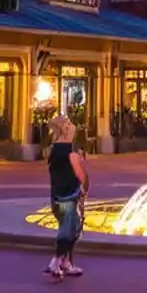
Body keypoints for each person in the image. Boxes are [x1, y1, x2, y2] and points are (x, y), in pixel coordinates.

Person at [44, 116, 89, 280]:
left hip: (58, 196)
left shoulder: (55, 150)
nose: (73, 125)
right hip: (67, 197)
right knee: (69, 229)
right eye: (69, 123)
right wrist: (84, 187)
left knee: (72, 227)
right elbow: (80, 174)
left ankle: (66, 262)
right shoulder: (69, 152)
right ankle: (56, 261)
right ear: (65, 129)